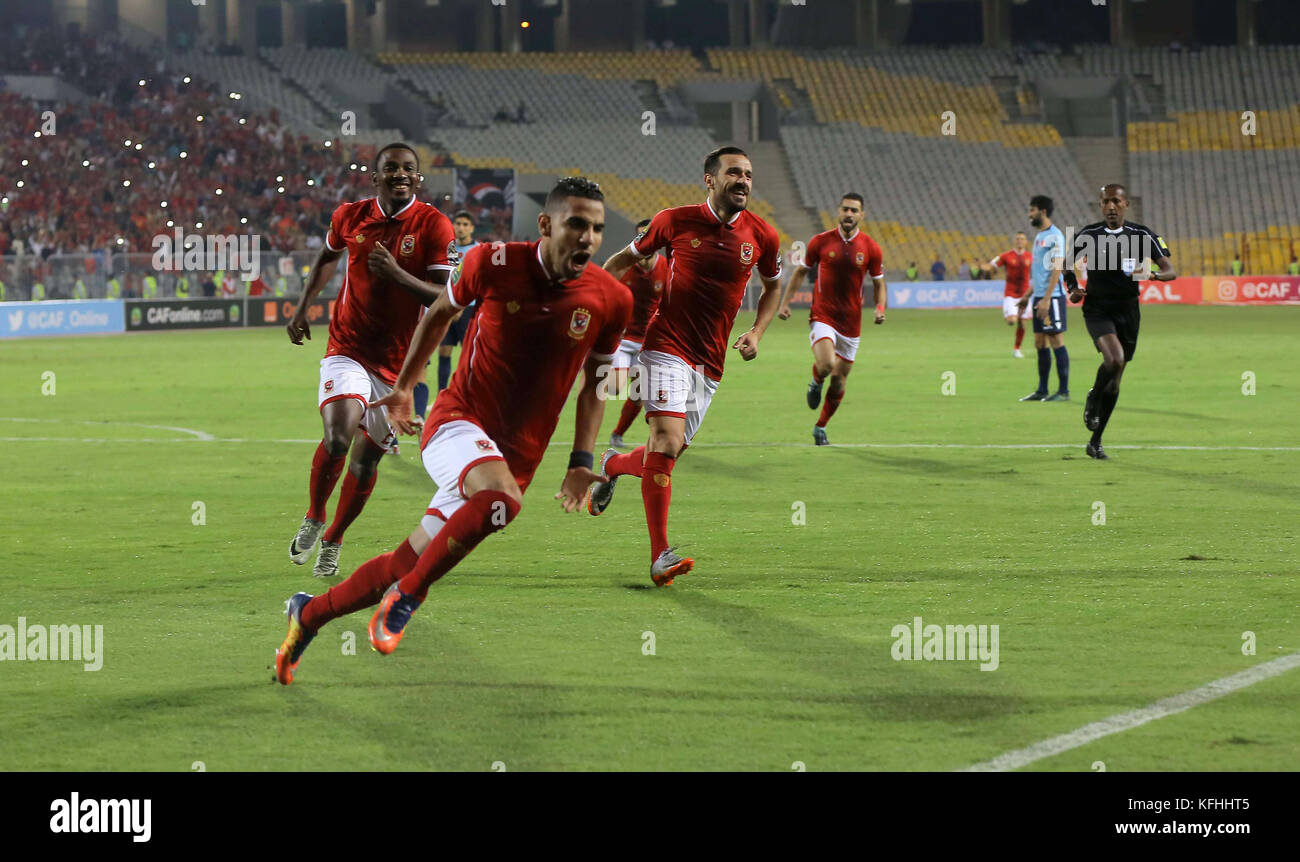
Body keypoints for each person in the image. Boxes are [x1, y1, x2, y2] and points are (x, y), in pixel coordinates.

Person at [273, 177, 631, 684]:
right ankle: (410, 596)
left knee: (407, 559)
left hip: (514, 457)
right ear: (547, 225)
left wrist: (580, 462)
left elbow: (599, 382)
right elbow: (440, 313)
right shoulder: (493, 261)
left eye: (596, 228)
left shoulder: (612, 297)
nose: (588, 237)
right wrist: (404, 388)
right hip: (457, 422)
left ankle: (307, 614)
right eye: (576, 224)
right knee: (498, 502)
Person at [587, 146, 783, 585]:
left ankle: (614, 465)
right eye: (734, 173)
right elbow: (621, 260)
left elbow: (773, 287)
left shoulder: (763, 236)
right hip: (665, 345)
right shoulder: (674, 220)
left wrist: (756, 333)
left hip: (710, 362)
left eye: (749, 175)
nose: (743, 181)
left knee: (665, 455)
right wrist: (592, 298)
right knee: (666, 440)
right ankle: (660, 556)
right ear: (710, 180)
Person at [284, 143, 457, 578]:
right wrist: (303, 306)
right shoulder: (349, 216)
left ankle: (334, 538)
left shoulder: (434, 225)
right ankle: (315, 514)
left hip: (398, 365)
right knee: (339, 437)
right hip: (348, 348)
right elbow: (327, 256)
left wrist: (396, 274)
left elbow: (446, 298)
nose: (401, 174)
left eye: (409, 169)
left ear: (418, 178)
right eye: (391, 168)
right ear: (374, 176)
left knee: (366, 462)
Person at [1069, 183, 1176, 460]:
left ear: (1126, 204)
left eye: (1116, 201)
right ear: (1101, 205)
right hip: (1097, 310)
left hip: (1128, 312)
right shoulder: (1088, 235)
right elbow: (1065, 264)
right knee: (1114, 359)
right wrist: (1073, 288)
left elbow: (1170, 271)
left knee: (1115, 383)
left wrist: (1151, 275)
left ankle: (1096, 441)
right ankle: (1093, 398)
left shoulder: (1142, 235)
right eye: (1106, 202)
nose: (1111, 207)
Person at [777, 192, 885, 446]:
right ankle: (815, 381)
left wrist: (880, 308)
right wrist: (785, 302)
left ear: (862, 215)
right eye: (845, 209)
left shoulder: (870, 248)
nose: (849, 214)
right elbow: (800, 272)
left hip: (851, 323)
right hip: (823, 314)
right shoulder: (821, 242)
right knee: (826, 365)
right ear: (838, 211)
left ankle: (821, 427)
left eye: (854, 210)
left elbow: (879, 284)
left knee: (839, 380)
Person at [608, 217, 669, 450]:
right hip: (623, 340)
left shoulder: (666, 268)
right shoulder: (623, 266)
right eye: (640, 237)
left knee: (639, 393)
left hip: (649, 341)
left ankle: (617, 434)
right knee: (615, 387)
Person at [1018, 195, 1070, 402]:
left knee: (1055, 339)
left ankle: (1063, 391)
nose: (1029, 214)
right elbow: (1040, 273)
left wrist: (1047, 298)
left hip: (1052, 297)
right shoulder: (1040, 237)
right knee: (1040, 342)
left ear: (1043, 211)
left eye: (1032, 210)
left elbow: (1058, 268)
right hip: (1039, 296)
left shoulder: (1056, 236)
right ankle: (1042, 390)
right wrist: (1027, 296)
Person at [989, 231, 1032, 357]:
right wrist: (989, 269)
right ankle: (1011, 314)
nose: (1020, 241)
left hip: (1025, 295)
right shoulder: (1006, 255)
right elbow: (993, 265)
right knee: (1012, 321)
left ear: (1025, 242)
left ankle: (1016, 349)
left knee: (1022, 323)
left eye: (1022, 239)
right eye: (1017, 238)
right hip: (1010, 294)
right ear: (1014, 241)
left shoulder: (1030, 257)